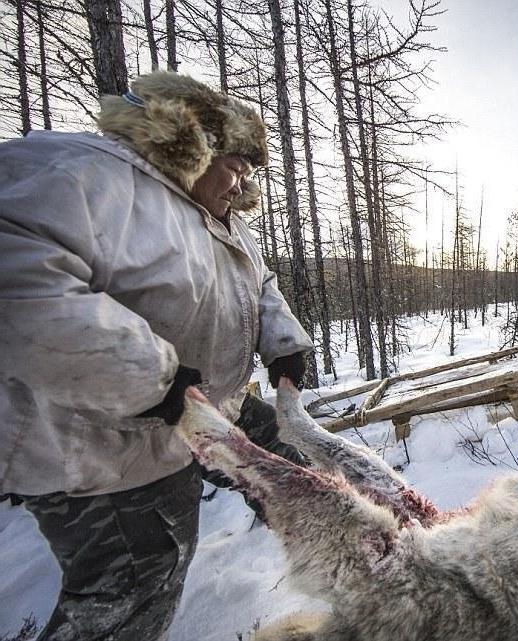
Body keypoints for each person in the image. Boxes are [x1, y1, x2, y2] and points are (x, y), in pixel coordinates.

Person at [0, 71, 314, 640]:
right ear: (193, 143)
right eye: (236, 162)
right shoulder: (79, 171)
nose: (243, 178)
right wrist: (153, 380)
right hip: (106, 447)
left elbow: (259, 284)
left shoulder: (222, 219)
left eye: (249, 168)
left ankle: (332, 543)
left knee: (289, 464)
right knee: (136, 582)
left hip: (207, 410)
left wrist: (285, 344)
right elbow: (19, 287)